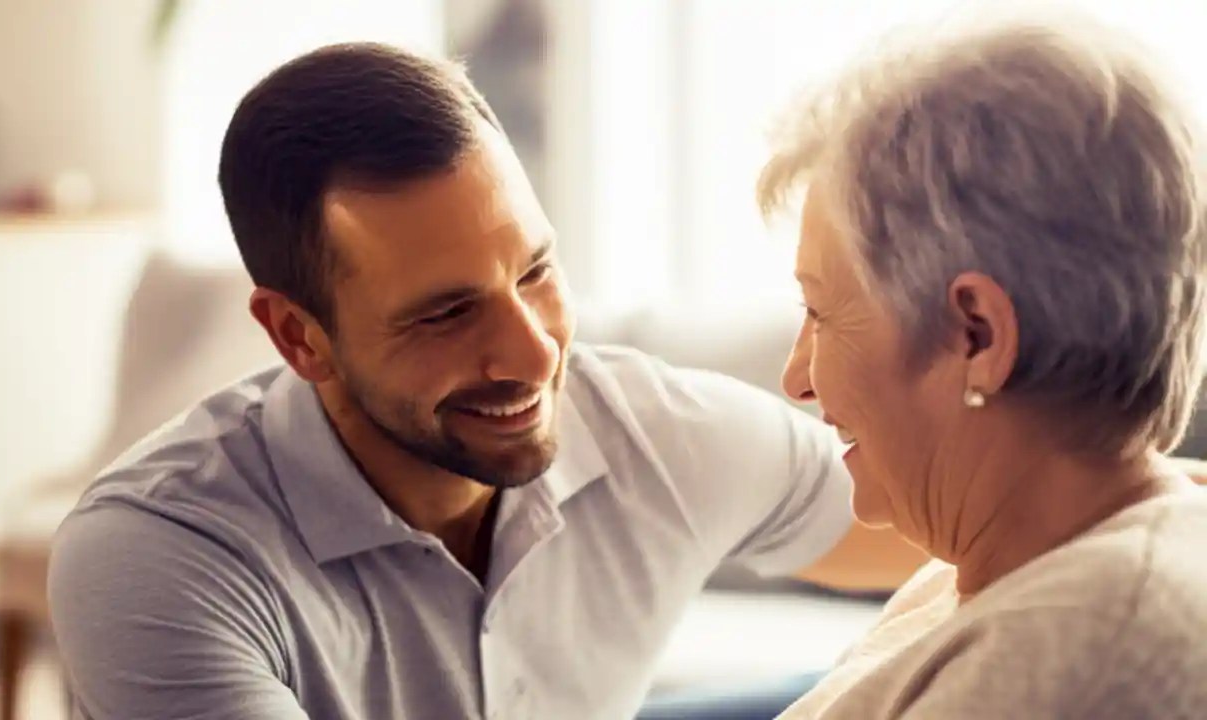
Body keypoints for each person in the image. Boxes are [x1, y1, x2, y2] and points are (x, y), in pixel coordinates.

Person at [47, 43, 923, 720]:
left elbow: (951, 524)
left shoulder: (652, 429)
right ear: (297, 337)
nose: (536, 356)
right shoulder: (159, 555)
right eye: (445, 314)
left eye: (535, 271)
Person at [758, 16, 1207, 719]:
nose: (798, 379)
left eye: (821, 314)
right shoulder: (1009, 562)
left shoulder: (1075, 644)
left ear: (978, 335)